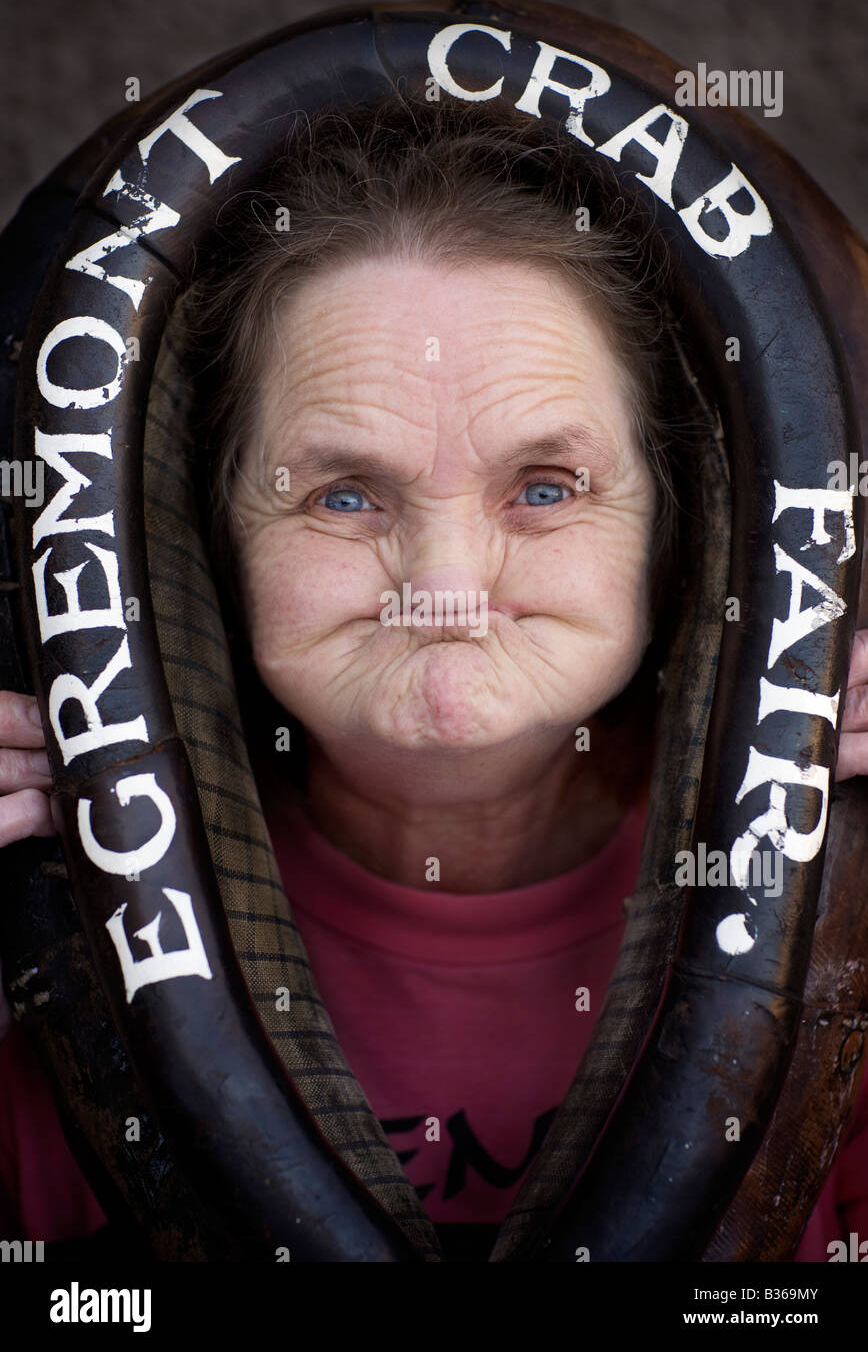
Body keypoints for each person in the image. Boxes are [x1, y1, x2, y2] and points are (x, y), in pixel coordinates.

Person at [1, 95, 866, 1262]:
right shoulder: (55, 916)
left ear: (676, 530)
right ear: (207, 545)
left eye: (546, 485)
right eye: (343, 495)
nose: (445, 583)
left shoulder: (837, 884)